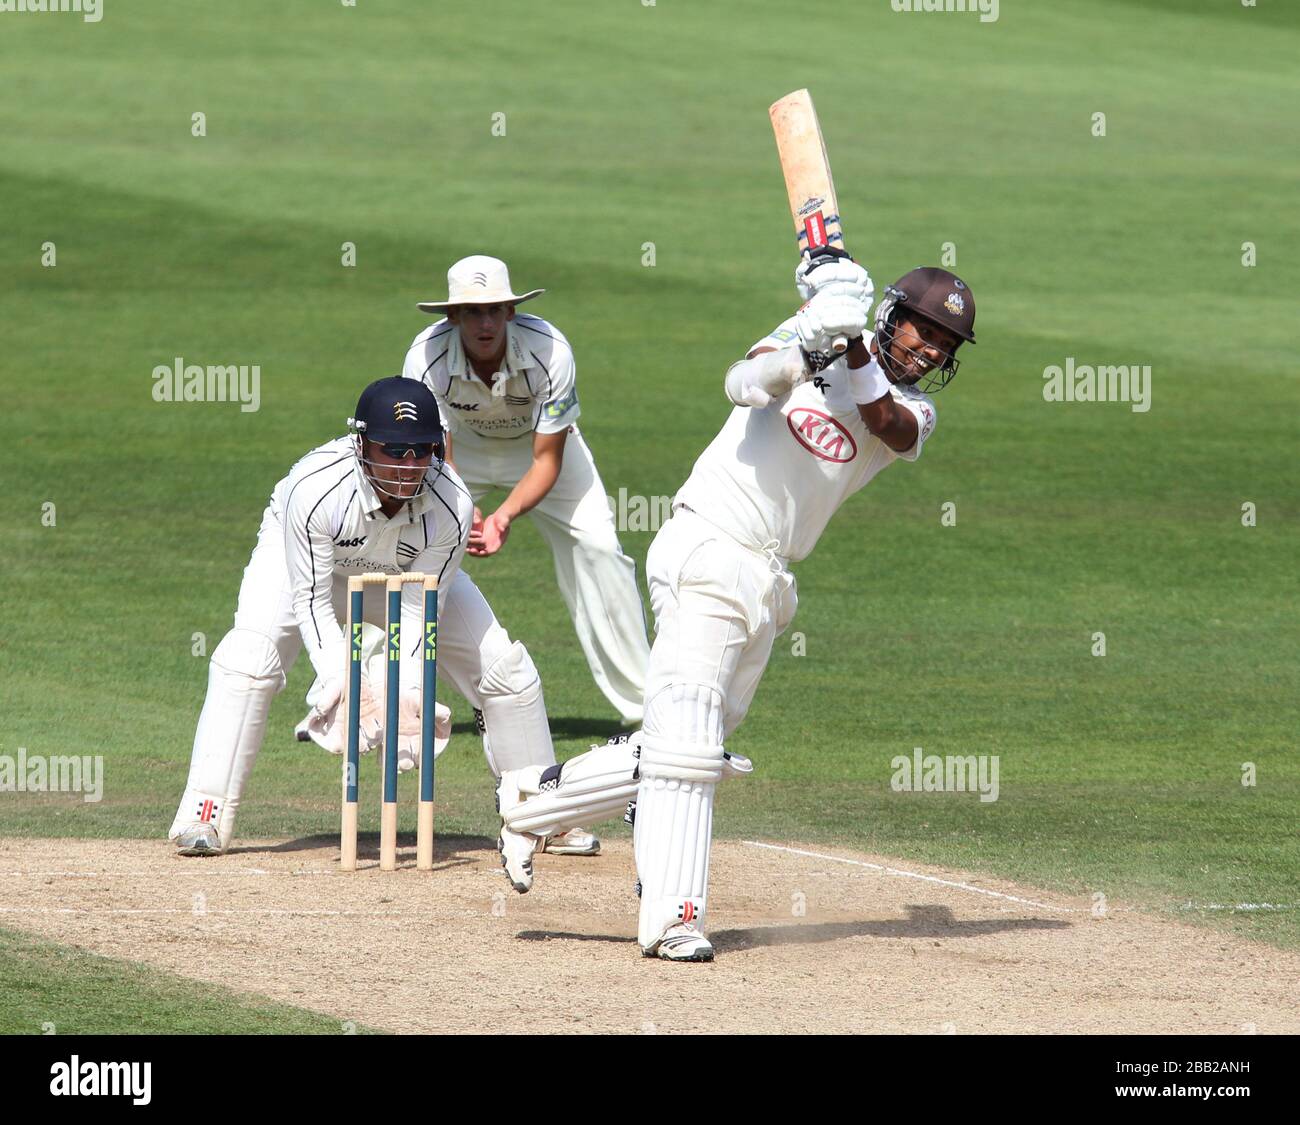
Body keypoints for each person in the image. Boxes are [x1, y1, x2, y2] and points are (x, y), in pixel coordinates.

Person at [492, 260, 977, 960]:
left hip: (770, 576)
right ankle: (672, 919)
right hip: (710, 539)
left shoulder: (916, 408)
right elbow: (742, 383)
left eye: (945, 343)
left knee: (691, 745)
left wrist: (853, 348)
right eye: (923, 328)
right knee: (686, 742)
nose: (931, 347)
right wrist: (813, 337)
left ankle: (532, 802)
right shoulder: (810, 337)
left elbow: (886, 423)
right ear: (892, 313)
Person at [168, 378, 572, 859]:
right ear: (361, 444)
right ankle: (205, 813)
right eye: (393, 450)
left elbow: (422, 608)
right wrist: (346, 682)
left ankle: (543, 817)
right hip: (306, 565)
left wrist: (408, 690)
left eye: (421, 450)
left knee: (506, 672)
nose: (408, 466)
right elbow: (313, 601)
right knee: (249, 659)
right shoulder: (315, 489)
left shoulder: (451, 502)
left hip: (405, 571)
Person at [402, 255, 651, 735]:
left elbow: (547, 460)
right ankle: (378, 695)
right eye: (473, 312)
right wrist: (464, 508)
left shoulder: (549, 348)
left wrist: (502, 516)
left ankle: (646, 709)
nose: (486, 322)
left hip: (537, 448)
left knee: (600, 551)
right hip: (460, 455)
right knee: (405, 553)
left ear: (512, 311)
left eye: (495, 309)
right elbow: (438, 451)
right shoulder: (425, 357)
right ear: (452, 316)